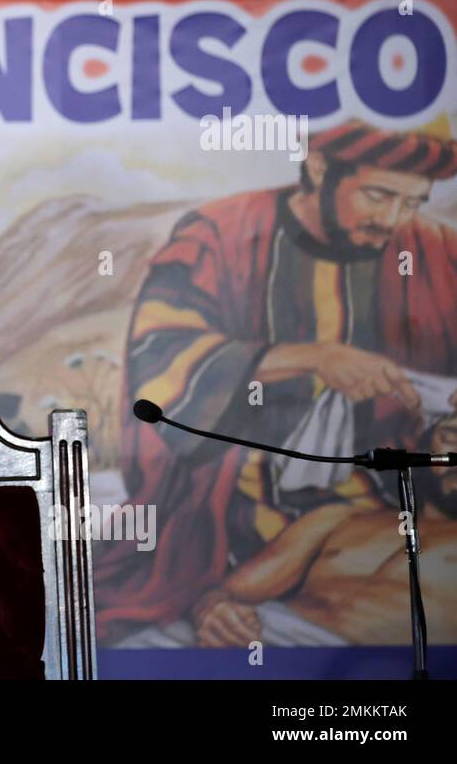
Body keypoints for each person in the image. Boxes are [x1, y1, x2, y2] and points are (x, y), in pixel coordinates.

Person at [97, 119, 457, 645]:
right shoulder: (221, 233)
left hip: (377, 506)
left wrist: (445, 435)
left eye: (413, 202)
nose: (393, 220)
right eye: (379, 196)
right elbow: (159, 358)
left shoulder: (432, 249)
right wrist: (307, 359)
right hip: (228, 511)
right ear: (318, 169)